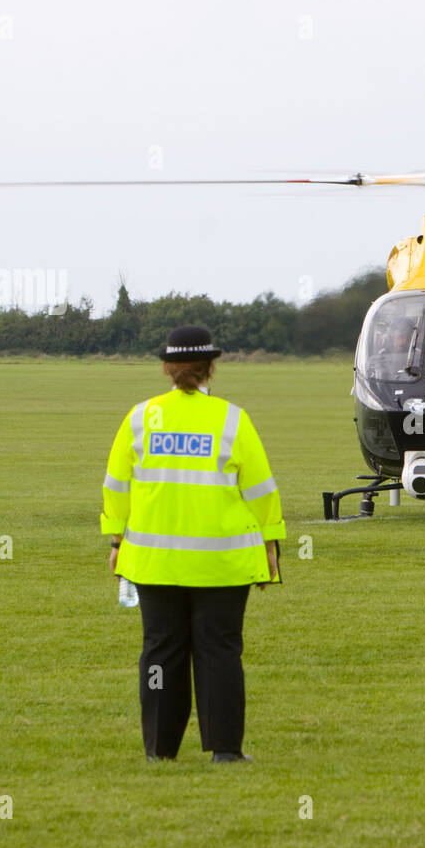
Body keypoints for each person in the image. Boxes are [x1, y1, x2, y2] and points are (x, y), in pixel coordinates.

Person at [100, 325, 284, 763]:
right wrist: (271, 544)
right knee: (219, 651)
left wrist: (115, 539)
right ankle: (225, 751)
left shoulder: (140, 418)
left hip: (154, 562)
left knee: (161, 653)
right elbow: (261, 490)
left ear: (167, 368)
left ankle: (160, 750)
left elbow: (116, 485)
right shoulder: (231, 419)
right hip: (222, 564)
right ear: (209, 370)